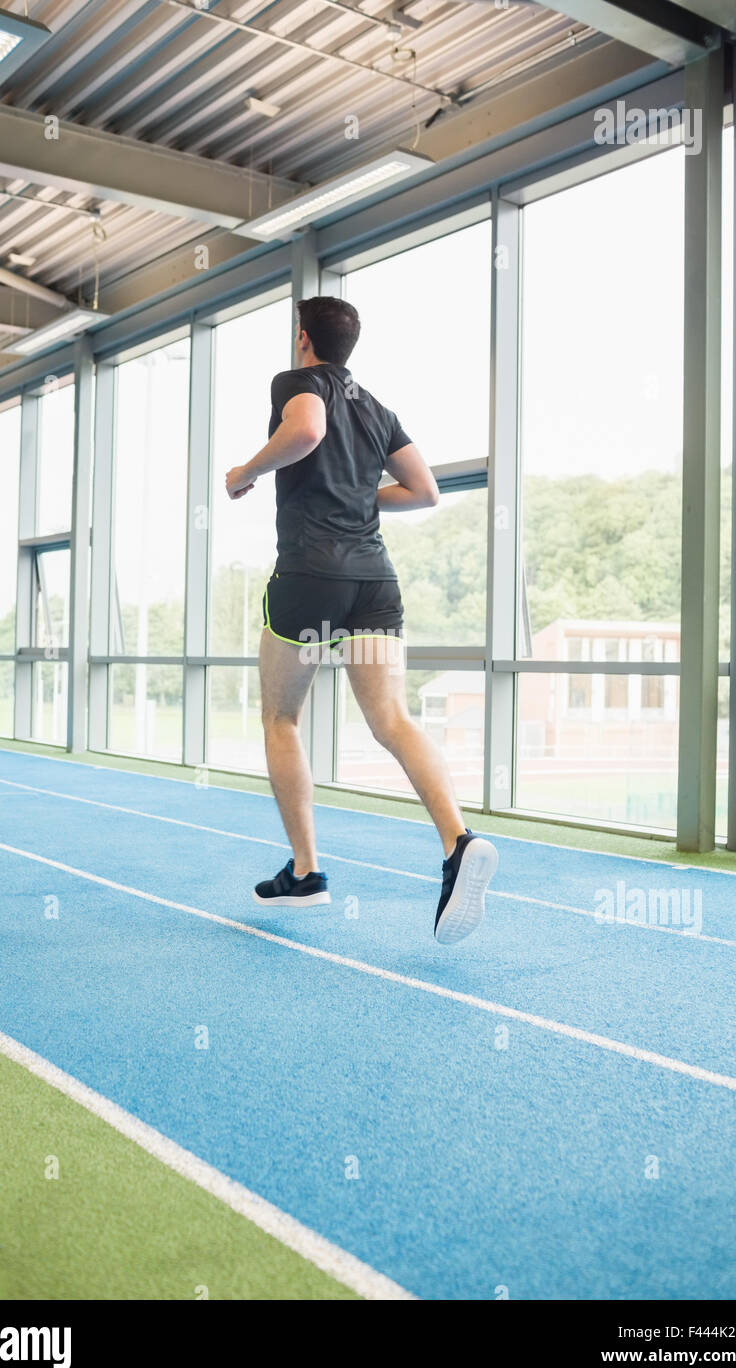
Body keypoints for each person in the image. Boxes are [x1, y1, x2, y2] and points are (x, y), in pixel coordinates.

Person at [225, 296, 497, 943]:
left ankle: (306, 871)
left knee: (281, 718)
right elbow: (424, 491)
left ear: (303, 339)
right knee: (392, 720)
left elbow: (306, 431)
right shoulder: (377, 408)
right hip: (373, 583)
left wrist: (246, 471)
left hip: (309, 579)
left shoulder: (297, 382)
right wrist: (356, 497)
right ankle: (458, 840)